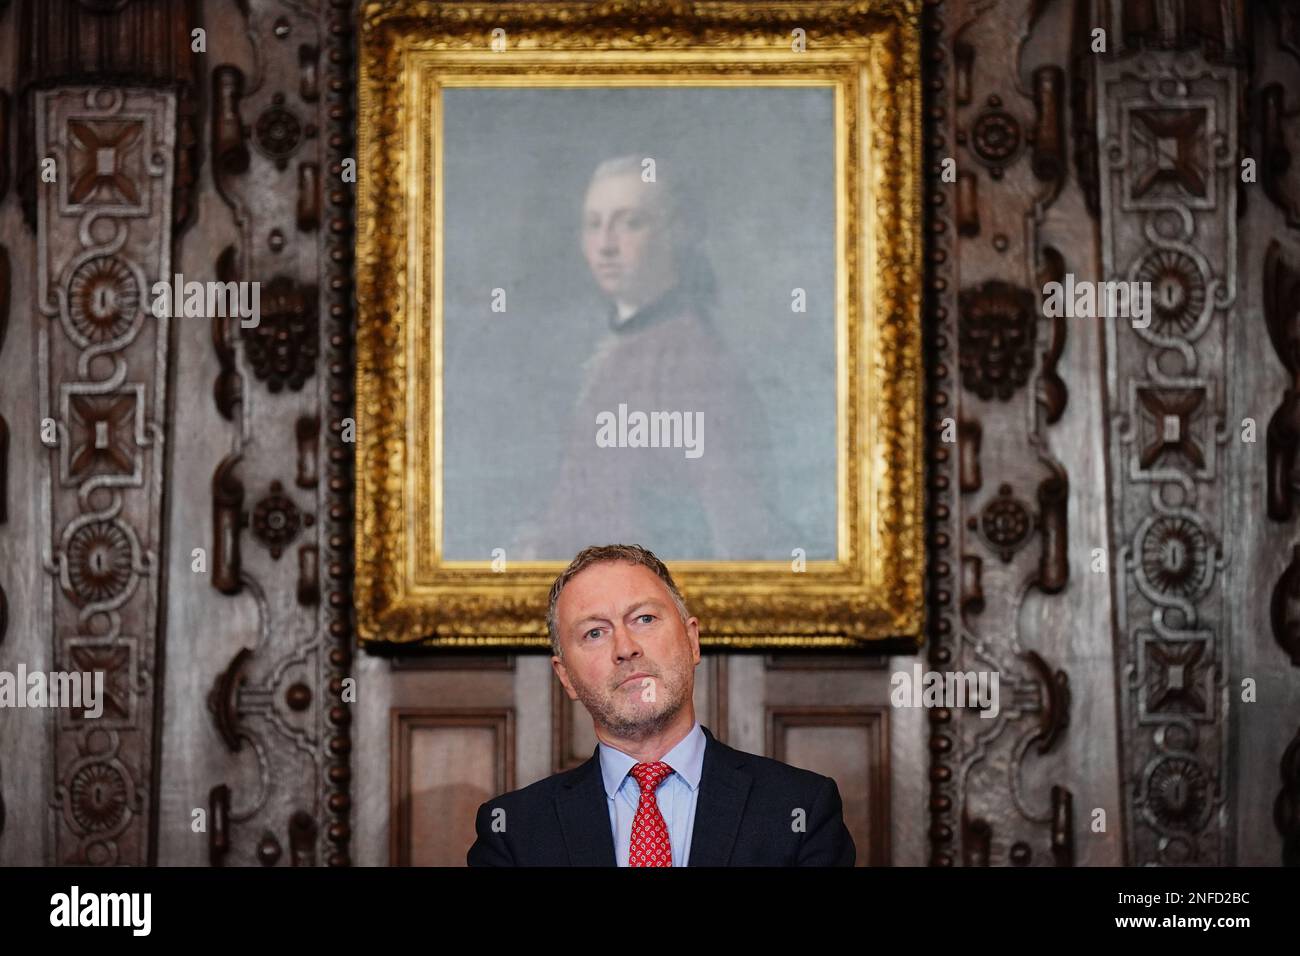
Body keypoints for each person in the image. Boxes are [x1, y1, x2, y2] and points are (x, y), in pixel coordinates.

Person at [466, 544, 857, 866]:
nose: (625, 648)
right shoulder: (513, 832)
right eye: (595, 632)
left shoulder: (800, 808)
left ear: (692, 641)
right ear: (565, 675)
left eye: (645, 618)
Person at [513, 156, 789, 561]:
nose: (606, 244)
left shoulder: (694, 361)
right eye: (594, 224)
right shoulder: (615, 348)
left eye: (630, 222)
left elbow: (740, 539)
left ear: (676, 233)